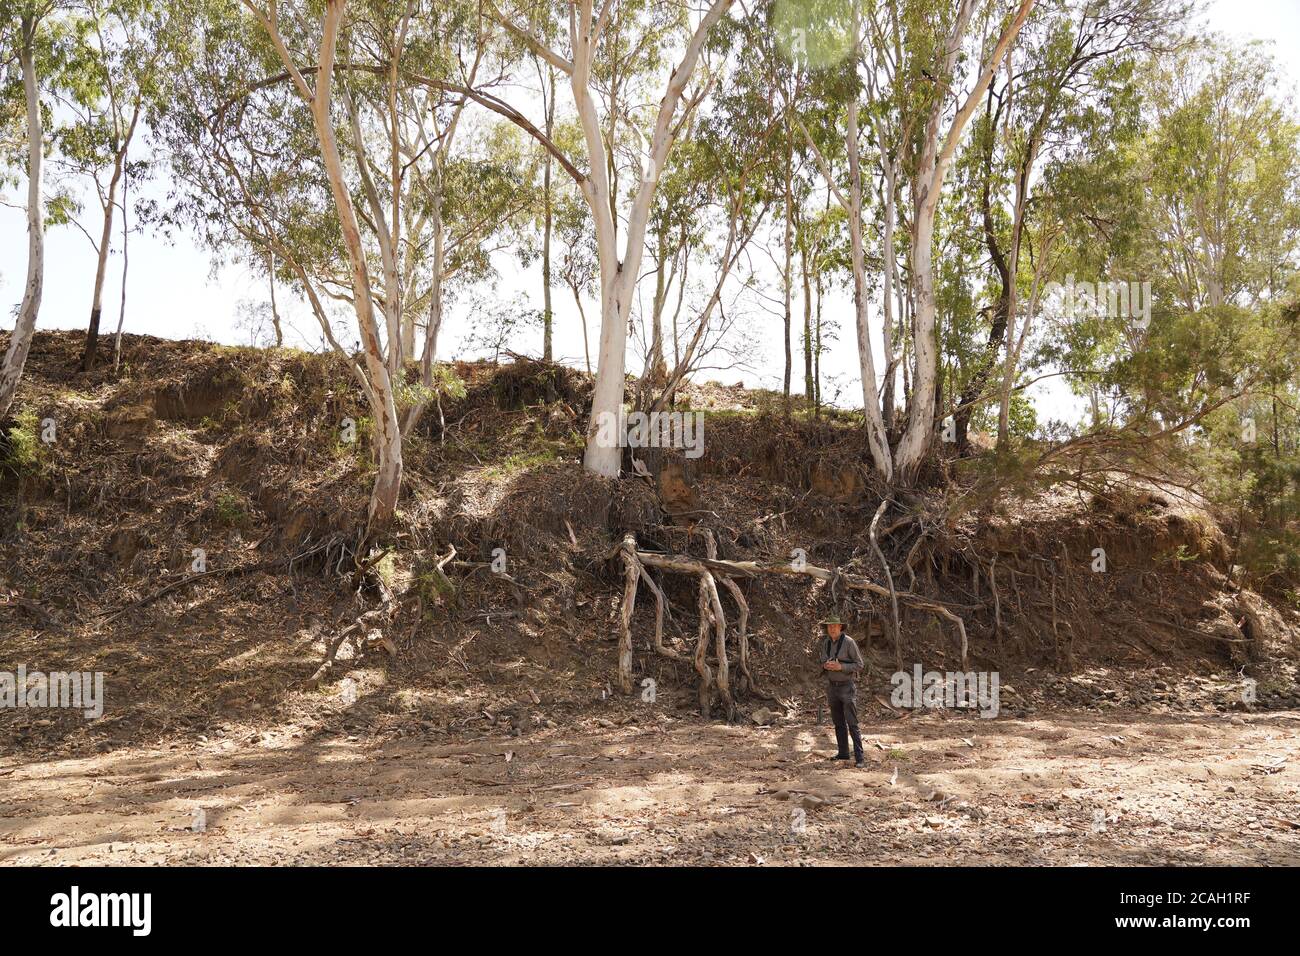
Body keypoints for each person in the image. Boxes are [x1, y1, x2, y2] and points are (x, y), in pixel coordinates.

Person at [818, 613, 864, 767]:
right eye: (829, 626)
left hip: (847, 686)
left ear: (840, 627)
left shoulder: (849, 642)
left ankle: (860, 758)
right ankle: (843, 753)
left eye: (834, 626)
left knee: (852, 723)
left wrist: (841, 667)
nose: (831, 629)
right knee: (838, 722)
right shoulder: (826, 643)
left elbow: (859, 665)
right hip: (832, 687)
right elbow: (823, 659)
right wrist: (826, 665)